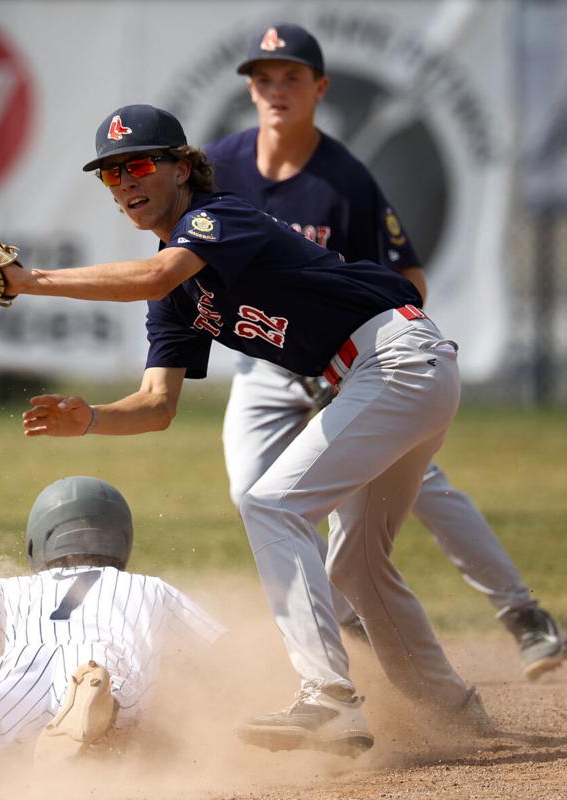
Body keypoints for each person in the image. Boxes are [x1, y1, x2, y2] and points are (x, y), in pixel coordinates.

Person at [0, 103, 488, 755]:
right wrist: (91, 418)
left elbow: (155, 270)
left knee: (271, 500)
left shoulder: (214, 217)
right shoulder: (170, 300)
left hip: (396, 360)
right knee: (357, 566)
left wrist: (31, 282)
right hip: (394, 376)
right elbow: (156, 404)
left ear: (182, 167)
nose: (124, 183)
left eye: (139, 164)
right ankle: (452, 712)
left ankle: (330, 699)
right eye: (110, 175)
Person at [205, 21, 563, 683]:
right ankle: (344, 619)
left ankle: (523, 613)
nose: (276, 90)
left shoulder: (346, 181)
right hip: (266, 362)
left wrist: (349, 356)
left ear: (320, 87)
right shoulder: (219, 167)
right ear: (250, 91)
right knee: (254, 493)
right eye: (263, 79)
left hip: (347, 359)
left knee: (421, 481)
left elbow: (410, 283)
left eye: (290, 77)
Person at [0, 476, 226, 774]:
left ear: (38, 540)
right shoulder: (149, 588)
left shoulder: (14, 589)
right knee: (119, 700)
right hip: (98, 666)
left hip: (21, 668)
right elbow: (224, 653)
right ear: (122, 539)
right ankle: (96, 708)